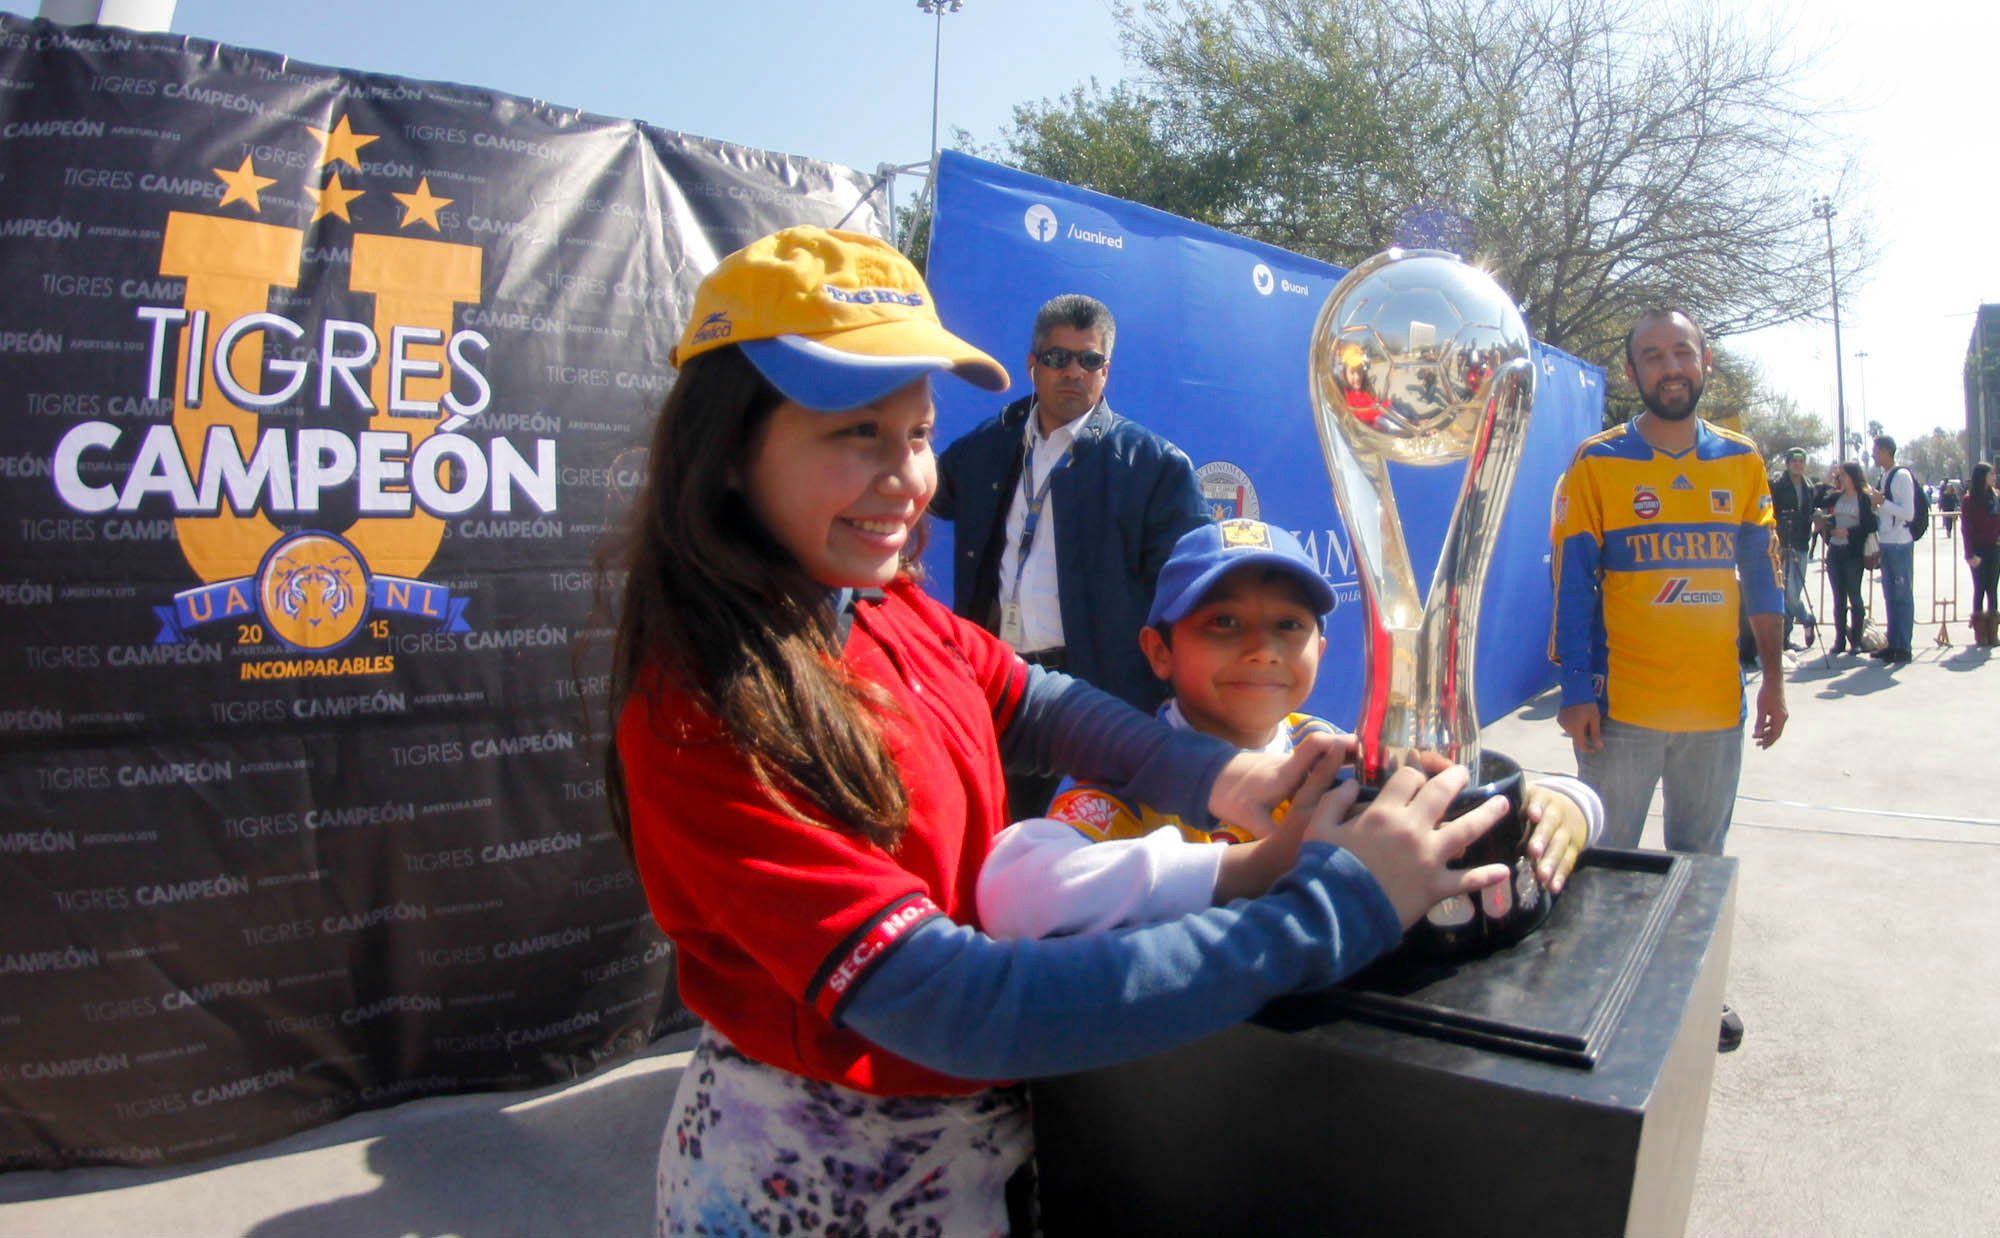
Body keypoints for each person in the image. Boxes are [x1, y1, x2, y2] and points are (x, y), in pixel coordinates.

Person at [607, 226, 1512, 1235]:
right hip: (818, 1180)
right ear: (729, 454)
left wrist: (1226, 782)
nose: (908, 477)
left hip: (975, 1134)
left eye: (917, 433)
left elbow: (1039, 702)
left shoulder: (881, 605)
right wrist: (1329, 911)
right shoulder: (703, 711)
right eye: (856, 432)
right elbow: (951, 1001)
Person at [976, 517, 1603, 940]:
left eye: (1289, 626)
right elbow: (1011, 894)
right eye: (1223, 622)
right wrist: (1252, 866)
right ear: (1158, 651)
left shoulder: (1325, 747)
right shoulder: (1122, 774)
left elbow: (1453, 800)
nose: (1262, 650)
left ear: (1321, 651)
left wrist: (1564, 804)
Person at [1550, 307, 1785, 1054]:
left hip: (1714, 711)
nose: (1670, 367)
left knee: (1700, 861)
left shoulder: (1742, 460)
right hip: (1621, 711)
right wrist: (1576, 692)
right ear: (1632, 373)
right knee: (1606, 858)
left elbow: (1764, 580)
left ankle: (1695, 994)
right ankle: (1593, 990)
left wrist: (1775, 681)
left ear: (1705, 361)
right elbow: (1573, 584)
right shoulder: (1597, 462)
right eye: (1652, 356)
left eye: (1682, 351)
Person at [931, 293, 1209, 817]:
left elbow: (1190, 593)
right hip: (1001, 680)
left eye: (1089, 359)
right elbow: (927, 492)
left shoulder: (1153, 465)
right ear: (1033, 364)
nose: (1073, 371)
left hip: (1102, 690)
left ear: (1106, 370)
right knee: (999, 833)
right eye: (1058, 357)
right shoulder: (990, 445)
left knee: (1108, 837)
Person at [1818, 461, 1877, 656]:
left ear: (1852, 476)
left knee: (1854, 596)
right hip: (1835, 551)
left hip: (1852, 552)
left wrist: (1848, 532)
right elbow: (1818, 501)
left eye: (1843, 475)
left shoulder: (1863, 498)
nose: (1840, 478)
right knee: (1838, 598)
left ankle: (1856, 640)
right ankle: (1840, 639)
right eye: (1839, 475)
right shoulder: (1838, 496)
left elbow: (1870, 525)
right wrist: (1827, 480)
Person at [1869, 435, 1917, 664]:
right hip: (1886, 542)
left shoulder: (1902, 476)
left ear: (1886, 451)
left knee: (1902, 595)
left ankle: (1904, 646)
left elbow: (1908, 513)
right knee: (1890, 596)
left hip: (1900, 543)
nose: (1873, 455)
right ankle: (1893, 643)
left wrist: (1882, 502)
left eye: (1876, 450)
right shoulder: (1884, 476)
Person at [1768, 447, 1820, 650]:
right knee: (1785, 593)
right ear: (1788, 464)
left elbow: (1811, 511)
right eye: (1794, 461)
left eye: (1801, 461)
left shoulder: (1809, 487)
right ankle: (1799, 624)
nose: (1798, 464)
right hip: (1782, 543)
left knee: (1793, 593)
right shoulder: (1777, 485)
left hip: (1801, 544)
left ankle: (1796, 628)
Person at [1961, 464, 2000, 645]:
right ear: (1982, 476)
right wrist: (1970, 554)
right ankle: (1980, 632)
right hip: (1978, 550)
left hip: (1995, 548)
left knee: (1992, 588)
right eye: (1991, 474)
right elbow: (1966, 529)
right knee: (1980, 588)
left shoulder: (1996, 497)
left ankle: (1993, 631)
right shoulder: (1969, 500)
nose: (1994, 477)